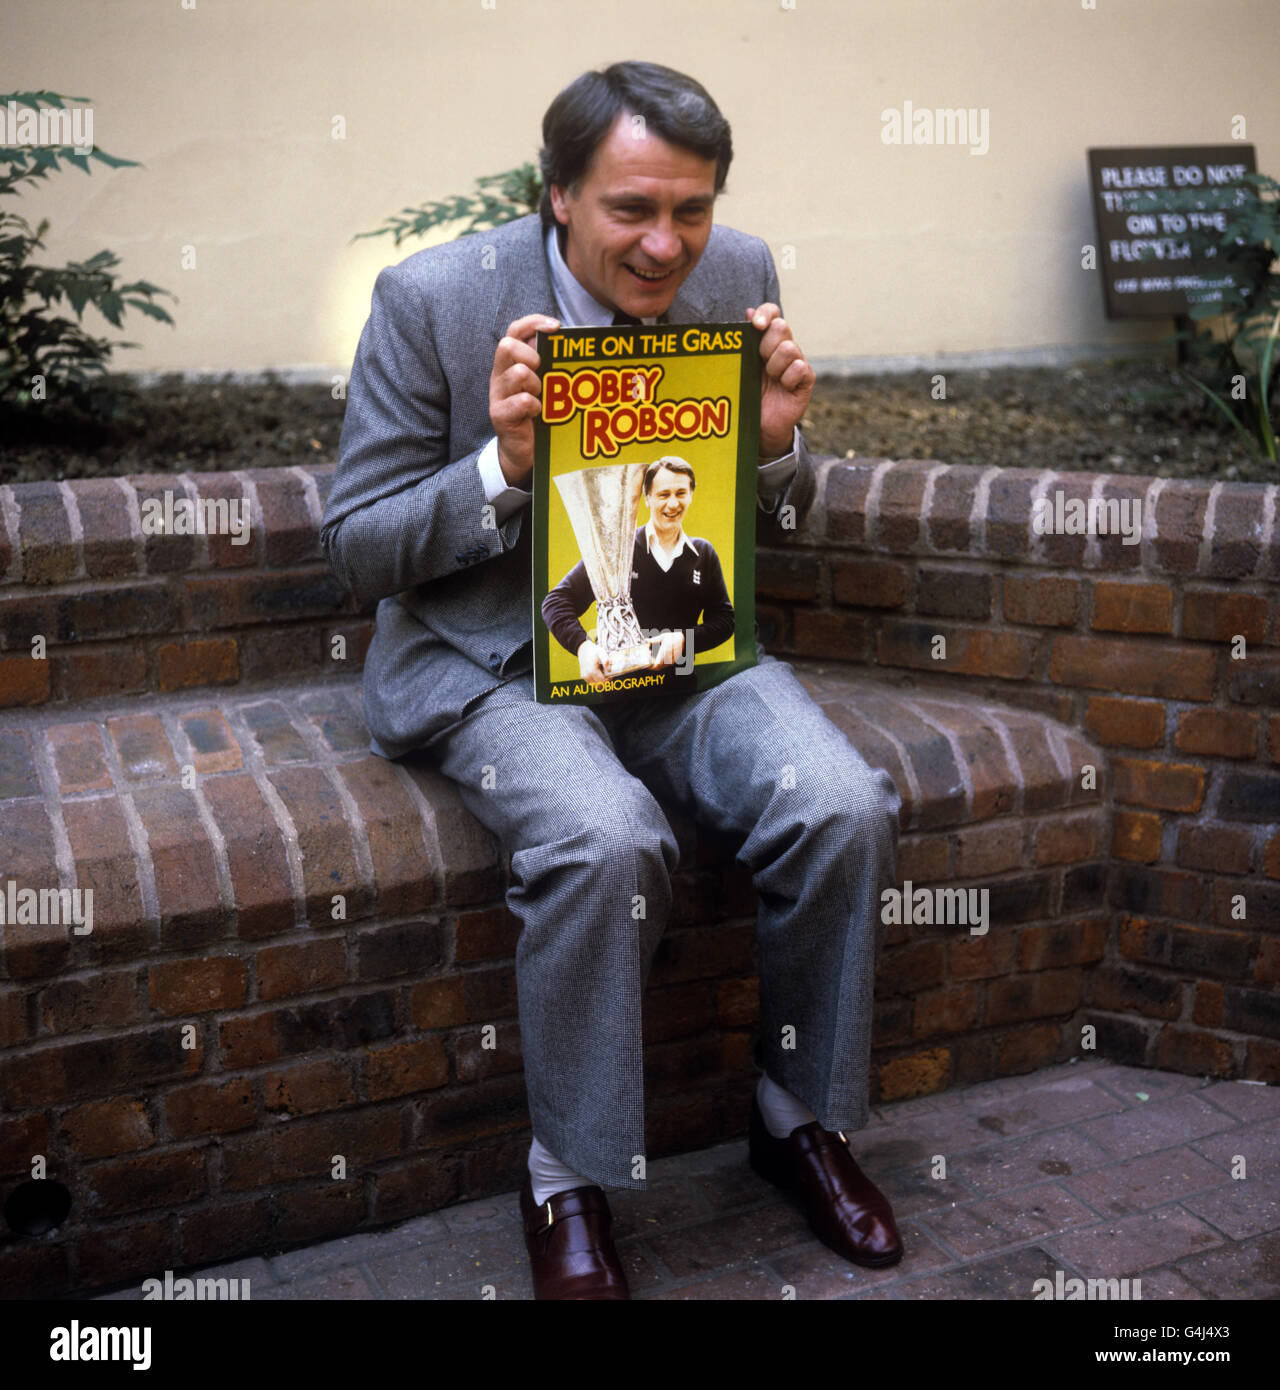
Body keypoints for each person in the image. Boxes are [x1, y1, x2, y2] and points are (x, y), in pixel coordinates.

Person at [321, 59, 904, 1301]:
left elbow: (767, 513)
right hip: (493, 665)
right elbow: (355, 545)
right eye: (631, 211)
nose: (665, 243)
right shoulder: (431, 299)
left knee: (842, 805)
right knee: (604, 839)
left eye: (688, 209)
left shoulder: (738, 274)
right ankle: (566, 1172)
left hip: (676, 651)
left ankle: (794, 1112)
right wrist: (502, 470)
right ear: (556, 198)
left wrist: (783, 449)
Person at [542, 456, 734, 688]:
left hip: (682, 692)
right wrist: (582, 647)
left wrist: (684, 641)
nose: (673, 504)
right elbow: (555, 601)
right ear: (647, 497)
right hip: (619, 694)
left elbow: (725, 621)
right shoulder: (617, 547)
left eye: (681, 493)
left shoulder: (703, 552)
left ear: (691, 494)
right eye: (664, 494)